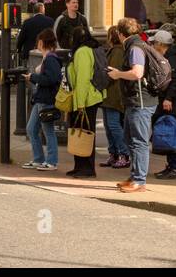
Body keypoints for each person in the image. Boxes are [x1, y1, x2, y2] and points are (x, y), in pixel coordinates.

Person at [108, 17, 159, 192]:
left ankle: (139, 180)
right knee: (130, 139)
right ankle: (134, 176)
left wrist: (118, 74)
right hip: (135, 101)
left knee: (139, 141)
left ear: (121, 34)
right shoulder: (137, 44)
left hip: (141, 102)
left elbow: (137, 73)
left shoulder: (135, 47)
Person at [65, 25, 104, 178]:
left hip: (85, 100)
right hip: (88, 98)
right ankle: (79, 166)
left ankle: (87, 168)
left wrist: (79, 103)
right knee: (81, 133)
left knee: (84, 133)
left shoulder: (82, 52)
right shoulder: (90, 49)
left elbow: (82, 79)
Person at [151, 29, 176, 180]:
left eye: (154, 43)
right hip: (167, 101)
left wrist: (169, 99)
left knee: (169, 134)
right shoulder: (166, 56)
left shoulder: (172, 58)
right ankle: (171, 166)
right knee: (165, 132)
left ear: (160, 44)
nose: (152, 45)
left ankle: (174, 168)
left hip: (171, 103)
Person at [25, 31, 62, 171]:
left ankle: (52, 161)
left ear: (42, 42)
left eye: (39, 41)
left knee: (48, 130)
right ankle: (39, 159)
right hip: (41, 98)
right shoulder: (48, 58)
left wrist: (33, 77)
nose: (37, 44)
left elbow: (52, 79)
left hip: (47, 99)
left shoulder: (51, 59)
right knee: (32, 128)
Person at [100, 26, 131, 170]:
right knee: (108, 125)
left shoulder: (118, 51)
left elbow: (114, 72)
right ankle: (114, 153)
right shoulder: (115, 50)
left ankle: (123, 154)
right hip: (110, 93)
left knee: (113, 125)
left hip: (114, 93)